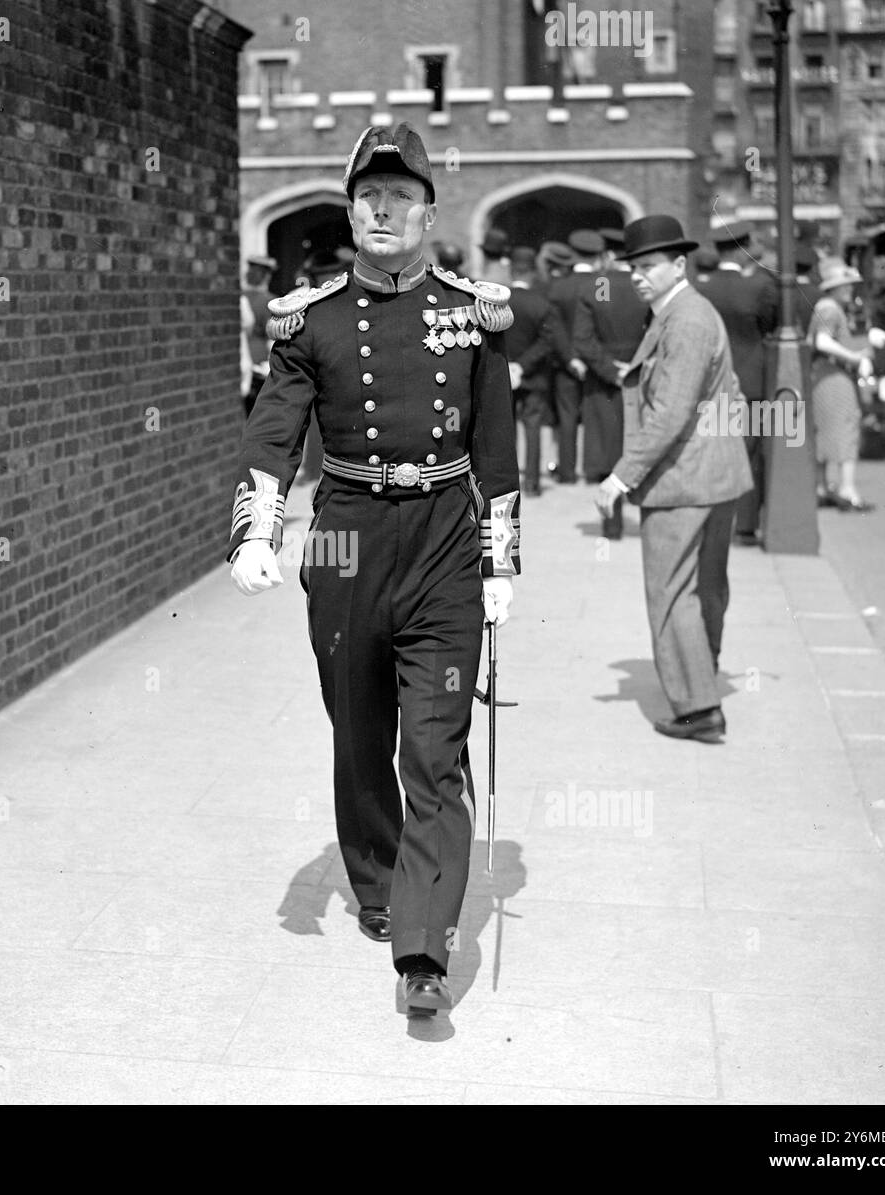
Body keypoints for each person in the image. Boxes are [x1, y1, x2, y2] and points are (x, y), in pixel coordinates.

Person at [228, 122, 521, 1015]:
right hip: (346, 535)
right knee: (359, 735)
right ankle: (377, 881)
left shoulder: (472, 315)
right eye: (368, 197)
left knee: (434, 749)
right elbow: (275, 429)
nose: (384, 209)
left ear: (430, 211)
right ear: (350, 211)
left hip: (441, 540)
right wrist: (257, 528)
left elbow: (495, 442)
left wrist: (499, 556)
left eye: (401, 196)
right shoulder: (309, 321)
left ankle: (423, 947)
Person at [594, 215, 753, 743]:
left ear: (678, 265)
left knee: (672, 593)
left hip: (682, 479)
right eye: (633, 267)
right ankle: (702, 681)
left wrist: (619, 478)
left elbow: (669, 413)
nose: (639, 276)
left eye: (649, 266)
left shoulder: (683, 320)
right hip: (714, 476)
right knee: (705, 588)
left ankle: (699, 707)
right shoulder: (687, 313)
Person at [695, 220, 779, 546]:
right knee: (749, 455)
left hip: (713, 383)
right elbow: (769, 325)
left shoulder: (702, 288)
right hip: (752, 383)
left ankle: (713, 523)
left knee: (713, 451)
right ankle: (744, 527)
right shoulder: (760, 287)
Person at [572, 235, 649, 538]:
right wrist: (634, 367)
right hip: (641, 375)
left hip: (603, 382)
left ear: (605, 255)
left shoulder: (597, 287)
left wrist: (611, 370)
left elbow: (583, 340)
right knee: (642, 445)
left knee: (608, 449)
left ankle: (612, 524)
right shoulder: (644, 286)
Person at [807, 258, 874, 512]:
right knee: (846, 427)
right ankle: (847, 488)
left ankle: (822, 487)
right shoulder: (830, 309)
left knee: (823, 431)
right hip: (834, 376)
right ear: (832, 288)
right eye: (844, 285)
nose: (849, 289)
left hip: (823, 375)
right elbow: (823, 342)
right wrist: (855, 357)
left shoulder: (826, 306)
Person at [505, 246, 565, 497]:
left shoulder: (499, 300)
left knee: (505, 430)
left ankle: (507, 483)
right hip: (533, 374)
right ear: (532, 273)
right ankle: (532, 484)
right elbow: (547, 341)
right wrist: (523, 365)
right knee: (532, 428)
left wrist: (509, 365)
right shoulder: (542, 305)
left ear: (512, 270)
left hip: (503, 374)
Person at [544, 231, 596, 482]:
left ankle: (567, 472)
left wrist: (569, 358)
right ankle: (595, 469)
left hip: (566, 363)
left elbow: (555, 328)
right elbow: (602, 322)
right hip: (595, 361)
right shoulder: (601, 284)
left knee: (567, 416)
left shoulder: (559, 285)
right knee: (596, 414)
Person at [242, 254, 278, 416]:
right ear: (267, 276)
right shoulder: (270, 301)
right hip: (258, 363)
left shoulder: (240, 296)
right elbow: (272, 337)